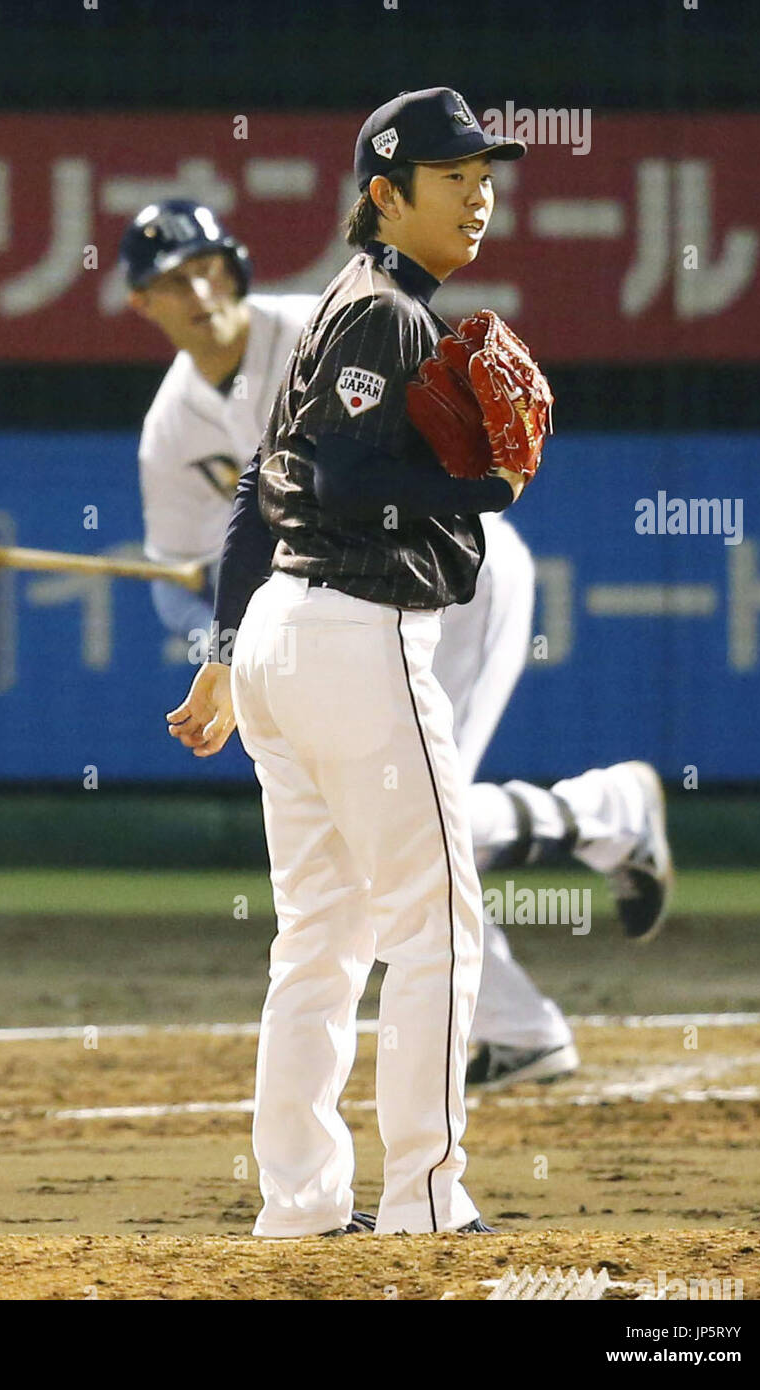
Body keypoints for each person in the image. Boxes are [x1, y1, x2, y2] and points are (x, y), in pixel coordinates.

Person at [127, 200, 671, 1098]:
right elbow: (191, 586)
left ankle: (597, 832)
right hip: (346, 611)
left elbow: (327, 482)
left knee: (397, 824)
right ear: (143, 306)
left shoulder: (326, 321)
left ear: (233, 265)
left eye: (204, 266)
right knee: (389, 824)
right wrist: (211, 596)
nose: (194, 289)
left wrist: (262, 543)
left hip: (456, 576)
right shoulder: (171, 432)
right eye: (166, 281)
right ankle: (544, 973)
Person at [167, 86, 534, 1236]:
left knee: (321, 936)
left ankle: (303, 1202)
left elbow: (256, 488)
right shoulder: (385, 312)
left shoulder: (340, 306)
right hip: (352, 634)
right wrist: (486, 488)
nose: (478, 196)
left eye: (485, 177)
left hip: (285, 631)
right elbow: (336, 485)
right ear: (386, 193)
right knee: (435, 918)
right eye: (453, 177)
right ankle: (426, 1195)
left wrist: (226, 649)